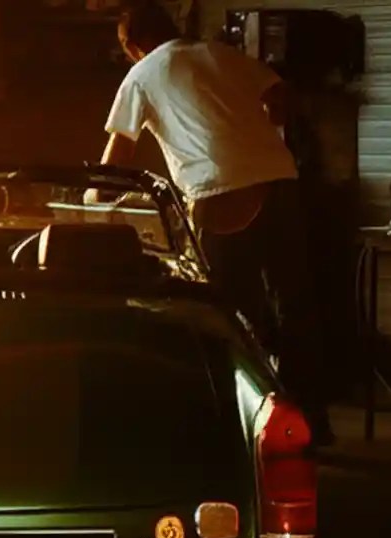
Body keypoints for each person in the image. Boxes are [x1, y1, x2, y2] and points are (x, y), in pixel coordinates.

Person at [88, 0, 334, 444]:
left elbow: (114, 165)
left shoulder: (141, 75)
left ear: (133, 45)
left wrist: (91, 197)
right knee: (296, 304)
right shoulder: (219, 53)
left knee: (226, 311)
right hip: (279, 179)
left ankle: (237, 427)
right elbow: (280, 96)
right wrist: (258, 126)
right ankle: (311, 421)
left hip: (220, 190)